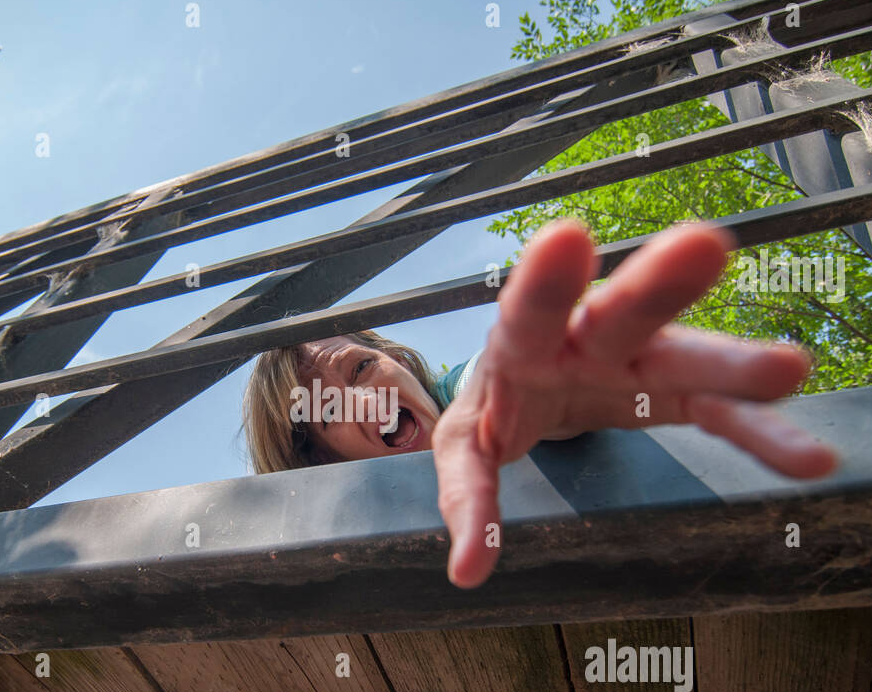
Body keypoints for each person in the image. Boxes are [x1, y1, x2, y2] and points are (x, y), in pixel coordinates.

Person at [243, 219, 840, 589]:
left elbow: (493, 387)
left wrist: (552, 397)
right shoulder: (340, 558)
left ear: (401, 362)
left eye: (365, 367)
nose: (365, 397)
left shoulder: (470, 393)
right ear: (320, 462)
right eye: (326, 408)